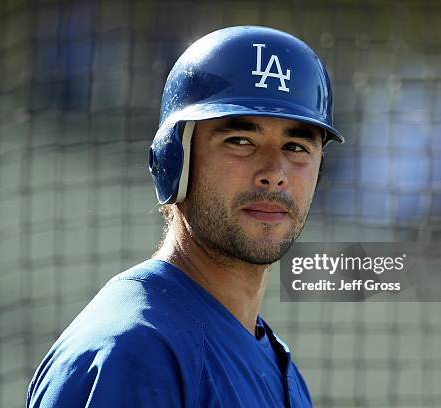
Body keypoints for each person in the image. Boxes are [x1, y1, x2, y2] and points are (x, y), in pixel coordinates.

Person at [26, 25, 343, 407]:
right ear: (173, 161)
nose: (274, 172)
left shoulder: (275, 363)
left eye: (296, 146)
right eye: (240, 141)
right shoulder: (135, 352)